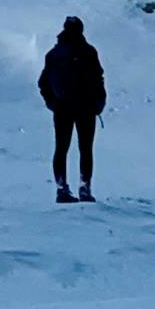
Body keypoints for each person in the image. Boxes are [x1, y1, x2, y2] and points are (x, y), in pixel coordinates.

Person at [37, 13, 106, 201]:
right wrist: (98, 102)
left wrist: (52, 102)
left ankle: (62, 189)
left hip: (62, 107)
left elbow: (43, 82)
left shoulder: (53, 54)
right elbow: (98, 79)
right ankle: (84, 188)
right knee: (85, 149)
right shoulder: (89, 52)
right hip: (85, 107)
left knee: (61, 148)